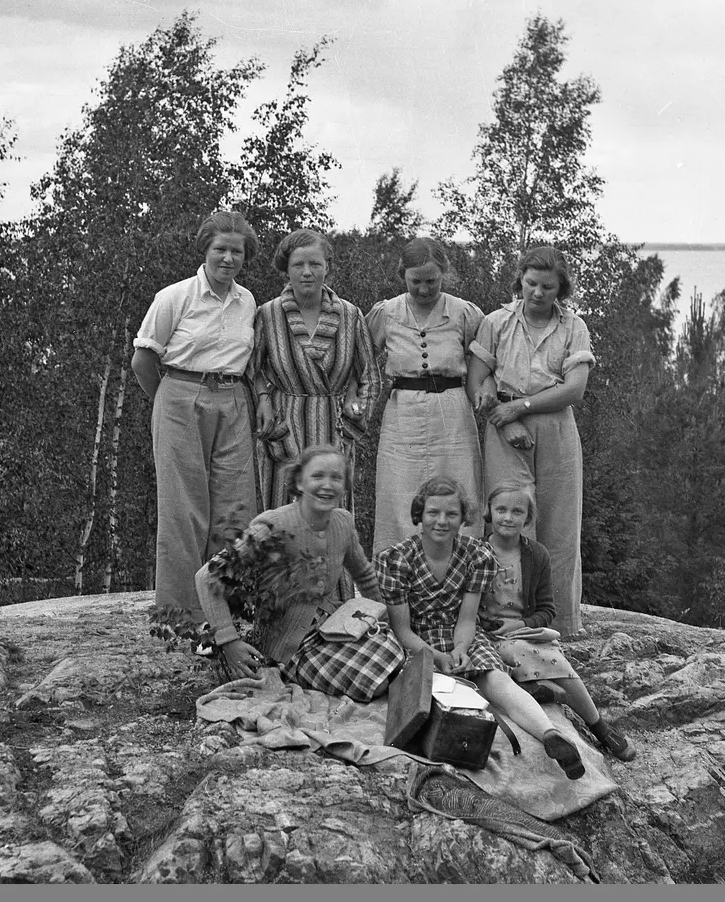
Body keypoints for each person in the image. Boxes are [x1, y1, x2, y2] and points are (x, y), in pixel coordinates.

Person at [374, 476, 586, 780]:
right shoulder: (396, 560)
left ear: (464, 518)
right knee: (437, 693)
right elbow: (402, 630)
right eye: (433, 512)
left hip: (463, 635)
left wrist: (461, 649)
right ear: (419, 515)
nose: (442, 521)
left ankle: (550, 734)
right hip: (419, 641)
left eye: (451, 514)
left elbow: (466, 619)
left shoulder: (476, 555)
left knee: (496, 679)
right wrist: (439, 657)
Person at [196, 444, 404, 702]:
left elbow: (365, 576)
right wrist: (229, 641)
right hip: (288, 648)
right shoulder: (275, 525)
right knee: (374, 680)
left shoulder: (342, 523)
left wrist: (385, 623)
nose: (327, 485)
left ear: (345, 486)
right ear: (299, 482)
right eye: (317, 476)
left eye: (336, 478)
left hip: (333, 628)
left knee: (394, 657)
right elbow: (207, 576)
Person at [132, 211, 259, 620]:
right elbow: (142, 361)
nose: (228, 259)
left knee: (235, 505)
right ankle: (181, 615)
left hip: (233, 400)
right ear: (205, 249)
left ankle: (230, 608)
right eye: (220, 249)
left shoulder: (247, 301)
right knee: (183, 509)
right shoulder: (175, 296)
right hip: (180, 397)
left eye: (237, 251)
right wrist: (169, 404)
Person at [468, 246, 594, 636]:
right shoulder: (496, 322)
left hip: (555, 426)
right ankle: (502, 620)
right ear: (520, 279)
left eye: (548, 287)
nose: (538, 293)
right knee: (508, 520)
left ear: (561, 290)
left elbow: (574, 389)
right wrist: (504, 420)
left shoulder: (574, 327)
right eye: (531, 283)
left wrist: (520, 408)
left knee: (559, 525)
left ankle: (559, 624)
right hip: (504, 428)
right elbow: (477, 380)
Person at [481, 484, 637, 761]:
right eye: (501, 509)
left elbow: (546, 610)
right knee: (512, 653)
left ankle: (599, 726)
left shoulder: (536, 555)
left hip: (524, 631)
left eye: (517, 512)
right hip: (488, 635)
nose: (508, 517)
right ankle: (535, 690)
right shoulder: (475, 552)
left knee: (555, 660)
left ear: (528, 518)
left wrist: (519, 625)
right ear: (489, 511)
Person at [365, 238, 485, 554]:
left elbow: (485, 360)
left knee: (459, 487)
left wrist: (484, 390)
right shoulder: (386, 313)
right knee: (399, 492)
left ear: (444, 273)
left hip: (453, 412)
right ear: (402, 275)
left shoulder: (464, 313)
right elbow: (362, 360)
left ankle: (462, 569)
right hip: (402, 412)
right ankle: (397, 571)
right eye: (415, 281)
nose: (423, 289)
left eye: (431, 281)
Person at [251, 229, 381, 512]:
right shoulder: (268, 314)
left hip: (334, 429)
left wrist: (351, 428)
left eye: (315, 264)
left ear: (327, 267)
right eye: (298, 265)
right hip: (286, 429)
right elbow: (252, 369)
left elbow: (369, 376)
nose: (307, 272)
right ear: (286, 269)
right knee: (282, 516)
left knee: (331, 514)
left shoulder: (349, 315)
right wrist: (263, 401)